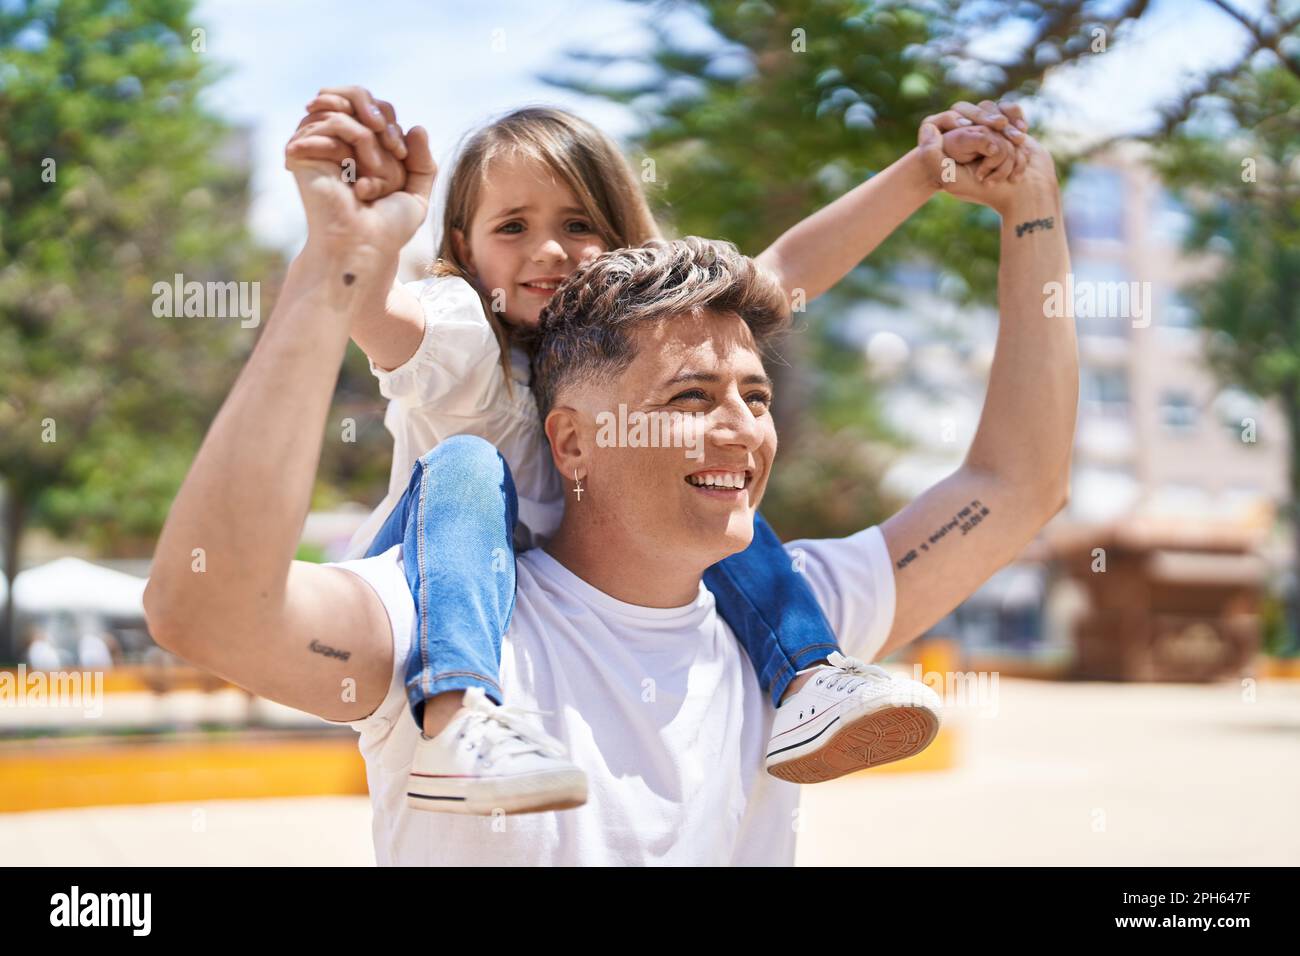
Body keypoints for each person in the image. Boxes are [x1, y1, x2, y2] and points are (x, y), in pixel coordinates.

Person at [143, 100, 1076, 864]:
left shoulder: (744, 574)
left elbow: (1011, 476)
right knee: (465, 465)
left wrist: (989, 195)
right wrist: (339, 262)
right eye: (689, 395)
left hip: (714, 596)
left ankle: (812, 674)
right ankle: (462, 713)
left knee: (749, 545)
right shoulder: (465, 350)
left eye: (754, 394)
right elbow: (209, 608)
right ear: (572, 438)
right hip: (459, 591)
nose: (739, 428)